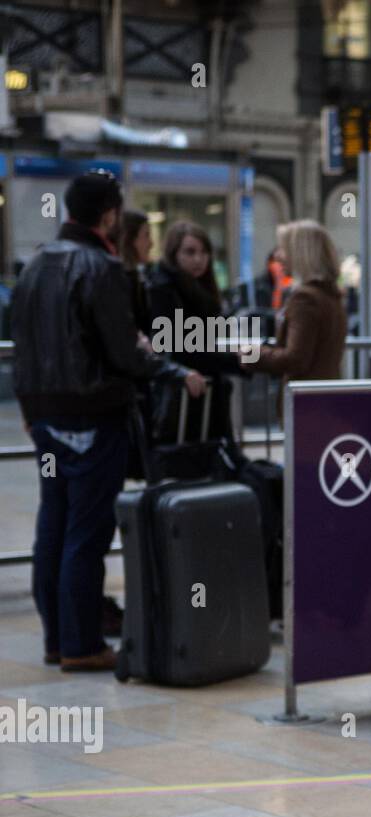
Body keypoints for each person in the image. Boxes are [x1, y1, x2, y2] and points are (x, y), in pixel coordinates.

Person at [11, 171, 204, 671]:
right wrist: (172, 370)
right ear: (110, 215)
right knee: (87, 534)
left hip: (47, 426)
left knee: (52, 526)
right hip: (94, 420)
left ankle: (57, 639)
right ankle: (81, 645)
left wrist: (32, 413)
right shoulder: (101, 268)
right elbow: (124, 353)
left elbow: (23, 349)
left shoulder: (33, 266)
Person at [146, 221, 244, 443]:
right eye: (189, 252)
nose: (198, 259)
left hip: (205, 392)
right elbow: (178, 349)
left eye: (204, 252)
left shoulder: (202, 291)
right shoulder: (163, 290)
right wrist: (236, 360)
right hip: (180, 397)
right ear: (174, 253)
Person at [254, 220, 346, 407]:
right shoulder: (330, 296)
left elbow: (295, 359)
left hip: (304, 406)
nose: (278, 256)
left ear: (301, 253)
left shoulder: (305, 299)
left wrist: (251, 355)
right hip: (325, 400)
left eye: (284, 248)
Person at [117, 209, 154, 336]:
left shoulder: (139, 277)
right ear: (129, 239)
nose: (151, 243)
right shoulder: (119, 281)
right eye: (146, 235)